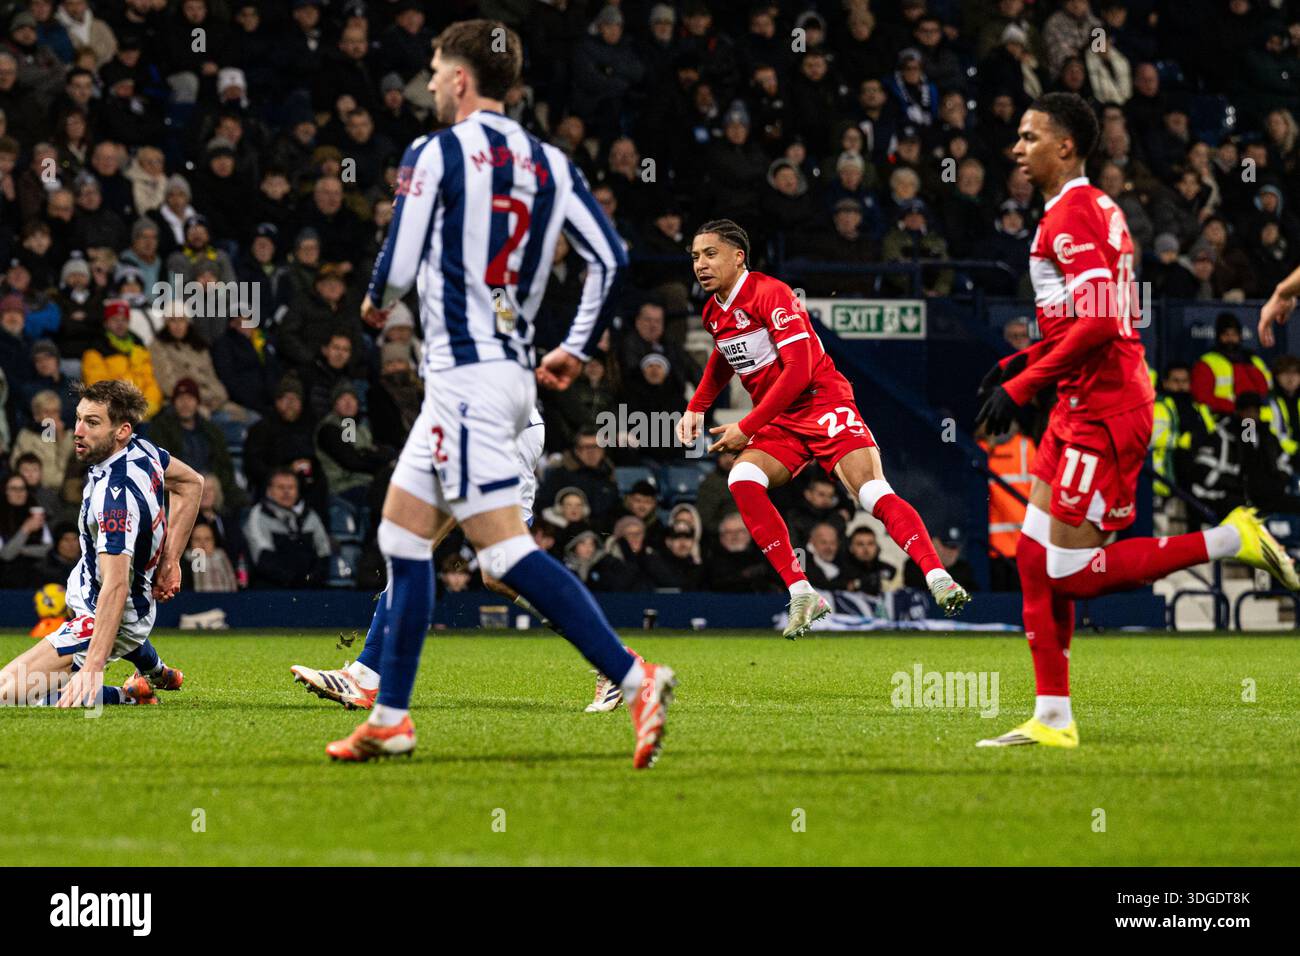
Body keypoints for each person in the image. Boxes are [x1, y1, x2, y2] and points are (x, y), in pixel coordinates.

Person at [303, 21, 673, 766]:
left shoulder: (435, 152)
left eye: (437, 70)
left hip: (468, 381)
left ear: (463, 79)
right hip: (502, 375)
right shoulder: (552, 162)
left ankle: (637, 678)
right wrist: (573, 347)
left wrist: (375, 302)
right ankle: (392, 716)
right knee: (403, 537)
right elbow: (611, 258)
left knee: (501, 556)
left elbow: (399, 260)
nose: (432, 83)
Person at [974, 92, 1299, 749]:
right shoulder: (1091, 210)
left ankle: (1230, 541)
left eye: (1029, 136)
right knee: (1035, 562)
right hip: (1078, 402)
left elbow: (1098, 325)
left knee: (1065, 571)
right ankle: (1054, 718)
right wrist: (1026, 362)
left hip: (1104, 409)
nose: (1016, 148)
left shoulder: (1072, 214)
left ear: (1066, 146)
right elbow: (1099, 316)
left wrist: (1026, 382)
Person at [678, 218, 970, 638]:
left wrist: (746, 425)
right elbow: (726, 355)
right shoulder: (713, 312)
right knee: (742, 479)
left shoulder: (770, 292)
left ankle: (937, 576)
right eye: (694, 257)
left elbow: (798, 371)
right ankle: (802, 592)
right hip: (780, 420)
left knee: (870, 491)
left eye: (710, 254)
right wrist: (696, 407)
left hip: (821, 401)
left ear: (738, 257)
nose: (701, 264)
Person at [0, 381, 199, 709]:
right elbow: (193, 483)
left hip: (103, 617)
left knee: (8, 696)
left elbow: (116, 587)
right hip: (96, 591)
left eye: (92, 423)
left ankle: (127, 696)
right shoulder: (142, 450)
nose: (77, 431)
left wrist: (92, 667)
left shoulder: (113, 501)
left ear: (121, 430)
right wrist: (171, 560)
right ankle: (156, 670)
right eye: (78, 418)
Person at [243, 468, 332, 588]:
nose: (286, 492)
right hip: (271, 590)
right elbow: (262, 559)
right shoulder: (258, 515)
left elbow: (324, 553)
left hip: (309, 589)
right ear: (269, 491)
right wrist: (295, 580)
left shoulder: (310, 516)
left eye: (291, 487)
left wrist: (310, 579)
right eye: (280, 487)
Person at [1191, 312, 1272, 417]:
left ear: (1240, 336)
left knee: (1251, 430)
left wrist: (1250, 366)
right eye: (1226, 335)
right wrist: (1236, 408)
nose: (1230, 339)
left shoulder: (1253, 361)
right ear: (1218, 337)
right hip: (1224, 419)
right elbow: (1201, 397)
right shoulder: (1207, 363)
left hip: (1257, 420)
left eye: (1234, 334)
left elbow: (1266, 391)